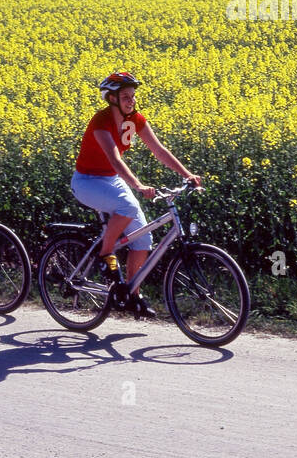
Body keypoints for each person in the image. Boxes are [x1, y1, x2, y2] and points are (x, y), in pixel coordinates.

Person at [71, 71, 202, 317]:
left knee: (143, 240)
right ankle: (104, 256)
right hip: (87, 181)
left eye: (132, 96)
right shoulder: (101, 121)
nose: (131, 100)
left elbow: (159, 150)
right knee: (128, 208)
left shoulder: (135, 120)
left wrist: (187, 175)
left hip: (111, 180)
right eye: (125, 96)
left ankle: (132, 295)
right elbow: (115, 158)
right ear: (111, 99)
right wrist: (139, 185)